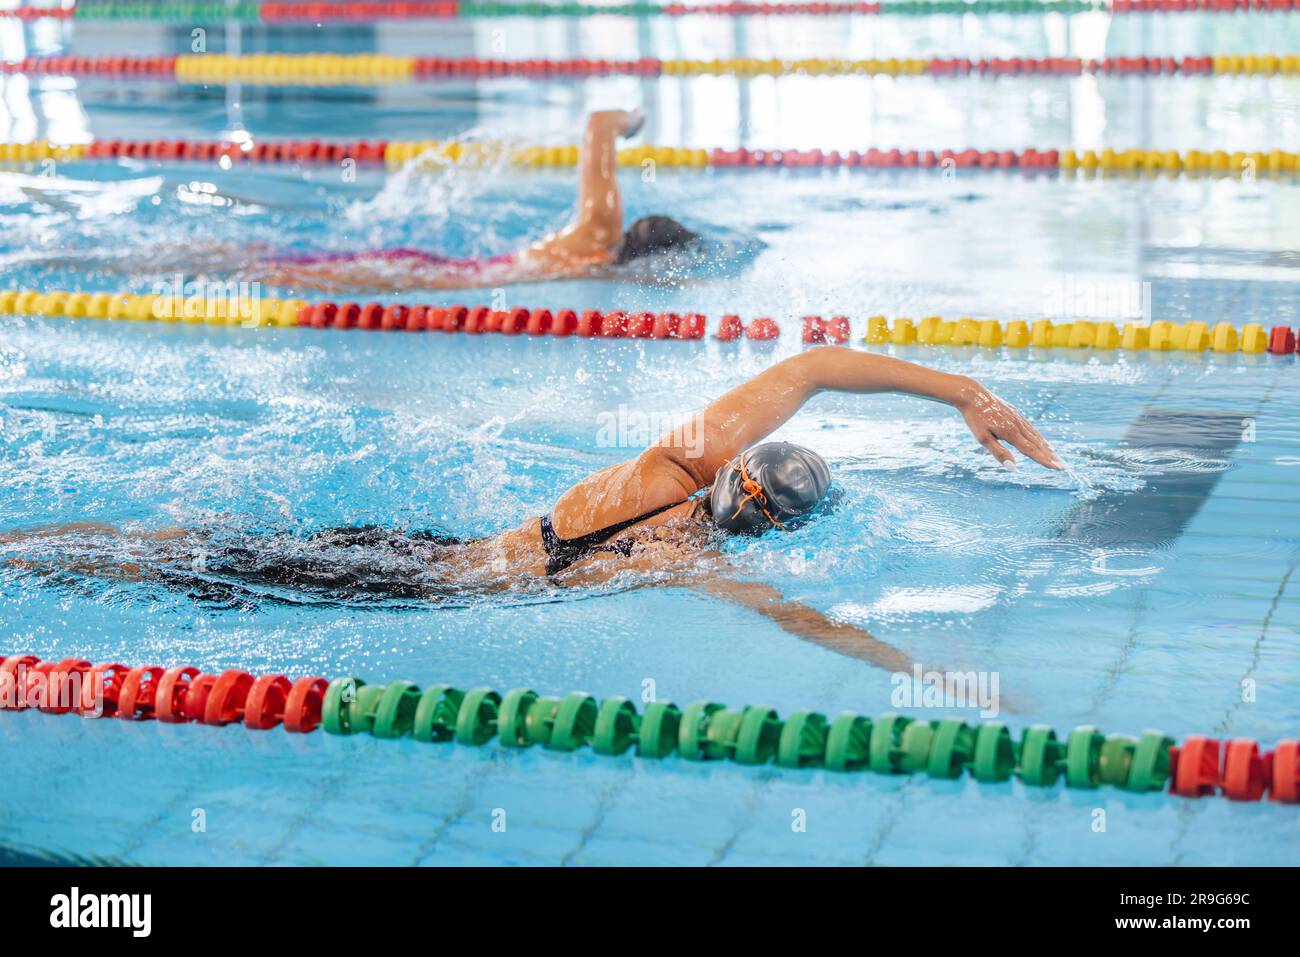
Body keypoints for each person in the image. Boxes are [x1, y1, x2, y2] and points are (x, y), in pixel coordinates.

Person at [2, 348, 1062, 670]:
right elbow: (818, 625)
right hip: (405, 585)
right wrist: (935, 680)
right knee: (164, 564)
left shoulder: (672, 484)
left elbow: (817, 366)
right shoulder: (684, 534)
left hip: (418, 561)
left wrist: (963, 389)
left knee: (168, 555)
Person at [256, 109, 692, 292]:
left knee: (277, 264)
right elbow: (598, 120)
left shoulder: (589, 242)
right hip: (441, 274)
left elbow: (599, 126)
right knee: (278, 275)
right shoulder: (598, 237)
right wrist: (626, 118)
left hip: (435, 263)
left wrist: (627, 122)